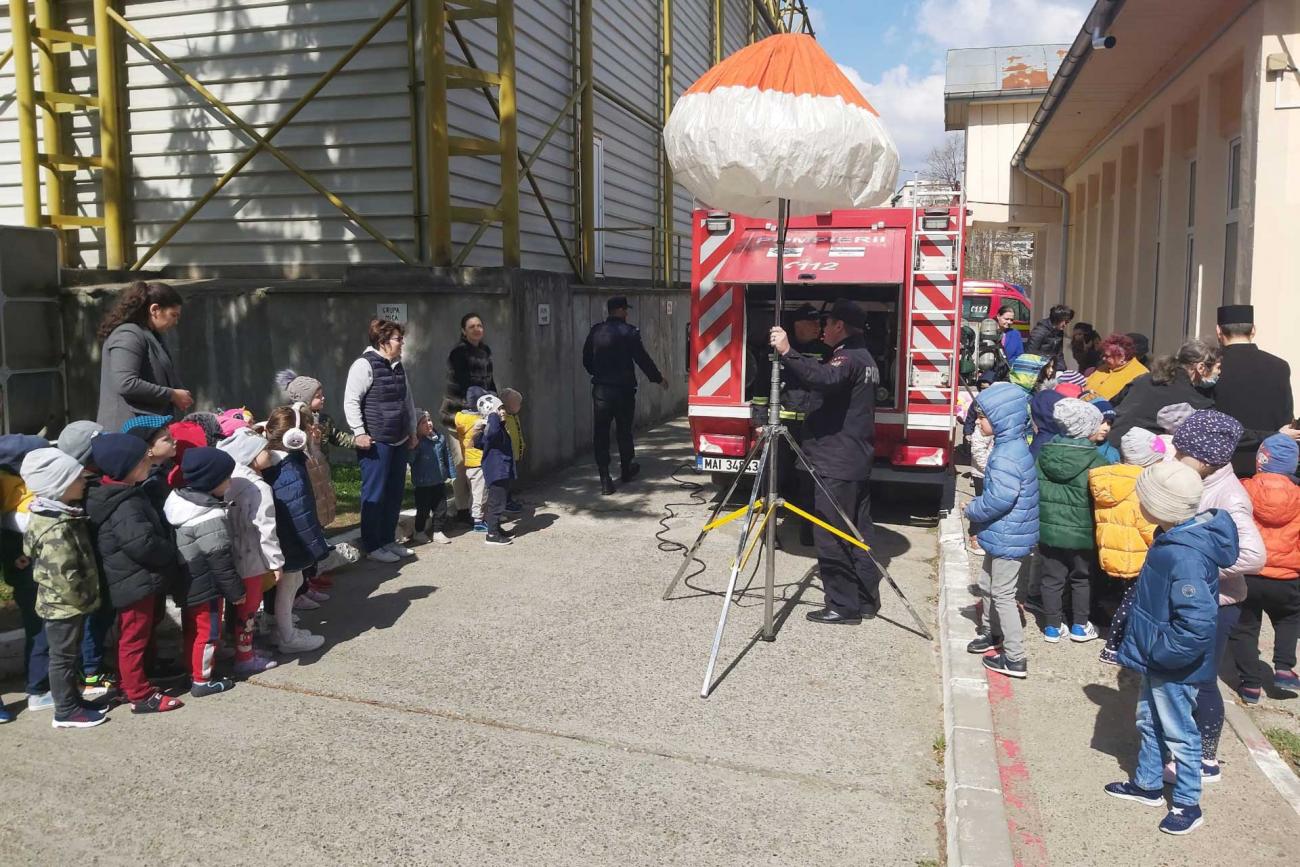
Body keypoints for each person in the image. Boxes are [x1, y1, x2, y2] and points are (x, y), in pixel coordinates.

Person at [1106, 461, 1233, 837]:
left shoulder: (1185, 554)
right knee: (1149, 719)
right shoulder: (1173, 539)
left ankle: (1187, 802)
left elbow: (1196, 622)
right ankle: (1147, 784)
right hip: (1159, 657)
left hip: (1174, 662)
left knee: (1180, 731)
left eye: (1142, 498)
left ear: (1159, 507)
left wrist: (1163, 654)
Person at [769, 299, 881, 624]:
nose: (823, 328)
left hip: (836, 462)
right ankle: (864, 599)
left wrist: (788, 351)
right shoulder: (865, 357)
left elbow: (823, 378)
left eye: (828, 323)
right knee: (858, 533)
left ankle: (843, 606)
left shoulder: (847, 357)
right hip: (855, 459)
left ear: (839, 327)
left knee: (830, 533)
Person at [1171, 410, 1265, 782]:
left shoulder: (1230, 497)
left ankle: (1207, 757)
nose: (1176, 459)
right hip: (1193, 598)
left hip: (1216, 604)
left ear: (1208, 459)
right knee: (1184, 676)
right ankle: (1181, 744)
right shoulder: (1199, 478)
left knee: (1202, 678)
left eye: (1182, 453)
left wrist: (1197, 565)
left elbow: (1254, 555)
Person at [86, 432, 185, 714]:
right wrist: (169, 552)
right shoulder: (123, 504)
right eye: (144, 460)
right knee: (133, 637)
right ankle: (139, 694)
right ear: (125, 467)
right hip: (134, 580)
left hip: (139, 579)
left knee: (139, 633)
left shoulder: (124, 493)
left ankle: (138, 677)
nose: (149, 463)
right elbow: (141, 543)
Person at [19, 448, 106, 729]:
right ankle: (65, 711)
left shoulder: (61, 514)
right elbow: (62, 576)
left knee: (69, 656)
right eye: (78, 478)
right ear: (59, 485)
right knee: (63, 659)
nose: (84, 482)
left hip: (69, 604)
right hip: (63, 606)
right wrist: (85, 599)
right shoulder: (56, 527)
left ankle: (73, 700)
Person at [962, 382, 1038, 678]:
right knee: (987, 584)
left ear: (1001, 419)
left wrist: (972, 509)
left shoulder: (1006, 456)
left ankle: (1015, 657)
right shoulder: (1011, 447)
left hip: (1008, 534)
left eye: (982, 417)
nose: (978, 422)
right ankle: (990, 633)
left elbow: (1000, 498)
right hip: (1004, 532)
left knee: (1003, 594)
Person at [163, 448, 244, 698]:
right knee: (208, 632)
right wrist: (236, 592)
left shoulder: (179, 503)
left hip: (187, 580)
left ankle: (192, 669)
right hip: (206, 585)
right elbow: (219, 558)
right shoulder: (209, 515)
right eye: (226, 478)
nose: (230, 483)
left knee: (191, 629)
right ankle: (202, 680)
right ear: (211, 482)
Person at [1229, 435, 1300, 703]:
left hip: (1248, 572)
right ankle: (1284, 667)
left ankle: (1250, 684)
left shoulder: (1243, 488)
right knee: (1289, 618)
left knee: (1245, 627)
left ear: (1261, 460)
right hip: (1286, 576)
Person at [1036, 398, 1113, 643]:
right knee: (1082, 578)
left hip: (1048, 530)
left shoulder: (1045, 454)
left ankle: (1052, 626)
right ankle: (1080, 625)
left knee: (1051, 579)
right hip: (1083, 533)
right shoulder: (1097, 461)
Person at [344, 318, 418, 564]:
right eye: (398, 339)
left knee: (394, 492)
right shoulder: (363, 365)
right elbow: (351, 400)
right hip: (377, 441)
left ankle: (388, 540)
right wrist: (359, 432)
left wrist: (412, 430)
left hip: (399, 439)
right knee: (374, 494)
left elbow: (407, 400)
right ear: (383, 341)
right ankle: (373, 544)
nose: (402, 342)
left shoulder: (398, 366)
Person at [583, 296, 668, 495]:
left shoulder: (596, 331)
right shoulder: (629, 333)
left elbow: (586, 359)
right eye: (625, 309)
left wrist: (598, 374)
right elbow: (642, 359)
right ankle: (626, 468)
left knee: (601, 434)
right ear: (619, 310)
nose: (627, 313)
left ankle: (605, 478)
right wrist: (658, 379)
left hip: (602, 391)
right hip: (623, 391)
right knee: (624, 431)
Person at [262, 406, 329, 654]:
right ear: (295, 436)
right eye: (307, 428)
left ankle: (277, 625)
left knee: (286, 584)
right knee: (290, 583)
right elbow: (299, 511)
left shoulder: (275, 461)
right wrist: (316, 546)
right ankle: (288, 637)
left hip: (282, 537)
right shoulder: (290, 470)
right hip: (291, 539)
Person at [1095, 427, 1165, 665]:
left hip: (1111, 547)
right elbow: (1147, 526)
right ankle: (1113, 646)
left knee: (1121, 594)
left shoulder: (1108, 477)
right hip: (1136, 554)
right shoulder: (1142, 486)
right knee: (1132, 601)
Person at [217, 428, 281, 677]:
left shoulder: (227, 480)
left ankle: (233, 645)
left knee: (232, 604)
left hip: (227, 552)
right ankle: (245, 656)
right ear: (251, 456)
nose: (270, 454)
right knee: (250, 607)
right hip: (252, 555)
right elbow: (267, 528)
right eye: (265, 450)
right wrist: (276, 562)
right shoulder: (258, 488)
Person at [1212, 304, 1299, 477]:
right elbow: (1285, 418)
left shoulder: (1212, 367)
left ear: (1218, 331)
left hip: (1220, 464)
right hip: (1266, 462)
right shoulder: (1279, 366)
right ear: (1253, 330)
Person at [2, 434, 55, 714]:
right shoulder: (23, 497)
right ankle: (38, 688)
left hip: (24, 574)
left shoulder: (10, 488)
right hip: (34, 577)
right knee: (41, 631)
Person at [95, 281, 193, 431]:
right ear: (155, 310)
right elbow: (126, 383)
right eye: (173, 315)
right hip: (127, 433)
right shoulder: (128, 335)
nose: (176, 322)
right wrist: (171, 394)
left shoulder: (150, 335)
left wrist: (179, 392)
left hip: (146, 430)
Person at [440, 313, 497, 523]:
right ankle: (463, 508)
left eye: (479, 325)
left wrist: (495, 403)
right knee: (461, 463)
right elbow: (465, 386)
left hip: (479, 416)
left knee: (478, 463)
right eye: (471, 326)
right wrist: (480, 404)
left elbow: (490, 383)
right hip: (457, 416)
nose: (476, 329)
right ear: (464, 330)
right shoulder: (459, 353)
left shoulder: (486, 351)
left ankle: (479, 507)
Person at [1106, 339, 1219, 446]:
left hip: (1110, 443)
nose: (1219, 372)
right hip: (1141, 455)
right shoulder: (1196, 401)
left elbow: (1113, 404)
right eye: (1217, 367)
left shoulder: (1144, 378)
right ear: (1201, 367)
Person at [474, 392, 517, 546]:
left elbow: (479, 442)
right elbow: (488, 435)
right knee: (496, 503)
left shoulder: (496, 429)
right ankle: (492, 534)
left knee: (500, 501)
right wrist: (493, 415)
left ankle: (496, 528)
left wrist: (496, 420)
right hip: (497, 472)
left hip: (502, 471)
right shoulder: (492, 428)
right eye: (500, 409)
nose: (503, 411)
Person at [409, 409, 456, 545]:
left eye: (429, 420)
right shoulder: (417, 442)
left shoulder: (439, 438)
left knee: (441, 509)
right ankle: (419, 531)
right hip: (422, 484)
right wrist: (413, 447)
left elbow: (447, 456)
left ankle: (438, 531)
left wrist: (452, 474)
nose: (428, 424)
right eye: (423, 422)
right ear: (416, 427)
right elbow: (410, 460)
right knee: (423, 510)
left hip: (439, 480)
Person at [456, 386, 490, 532]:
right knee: (480, 494)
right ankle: (478, 520)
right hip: (479, 462)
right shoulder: (478, 420)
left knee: (474, 492)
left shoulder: (461, 418)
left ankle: (474, 515)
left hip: (470, 463)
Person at [1087, 334, 1149, 401]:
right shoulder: (1103, 367)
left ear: (1122, 357)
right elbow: (1087, 382)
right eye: (1103, 355)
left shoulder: (1140, 374)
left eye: (1107, 356)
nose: (1103, 358)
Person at [1024, 304, 1073, 372]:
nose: (1065, 325)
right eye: (1065, 322)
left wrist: (1063, 370)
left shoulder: (1059, 332)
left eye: (1068, 322)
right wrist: (1047, 361)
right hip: (1037, 369)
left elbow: (1059, 354)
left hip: (1051, 369)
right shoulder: (1040, 331)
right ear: (1057, 319)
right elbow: (1030, 353)